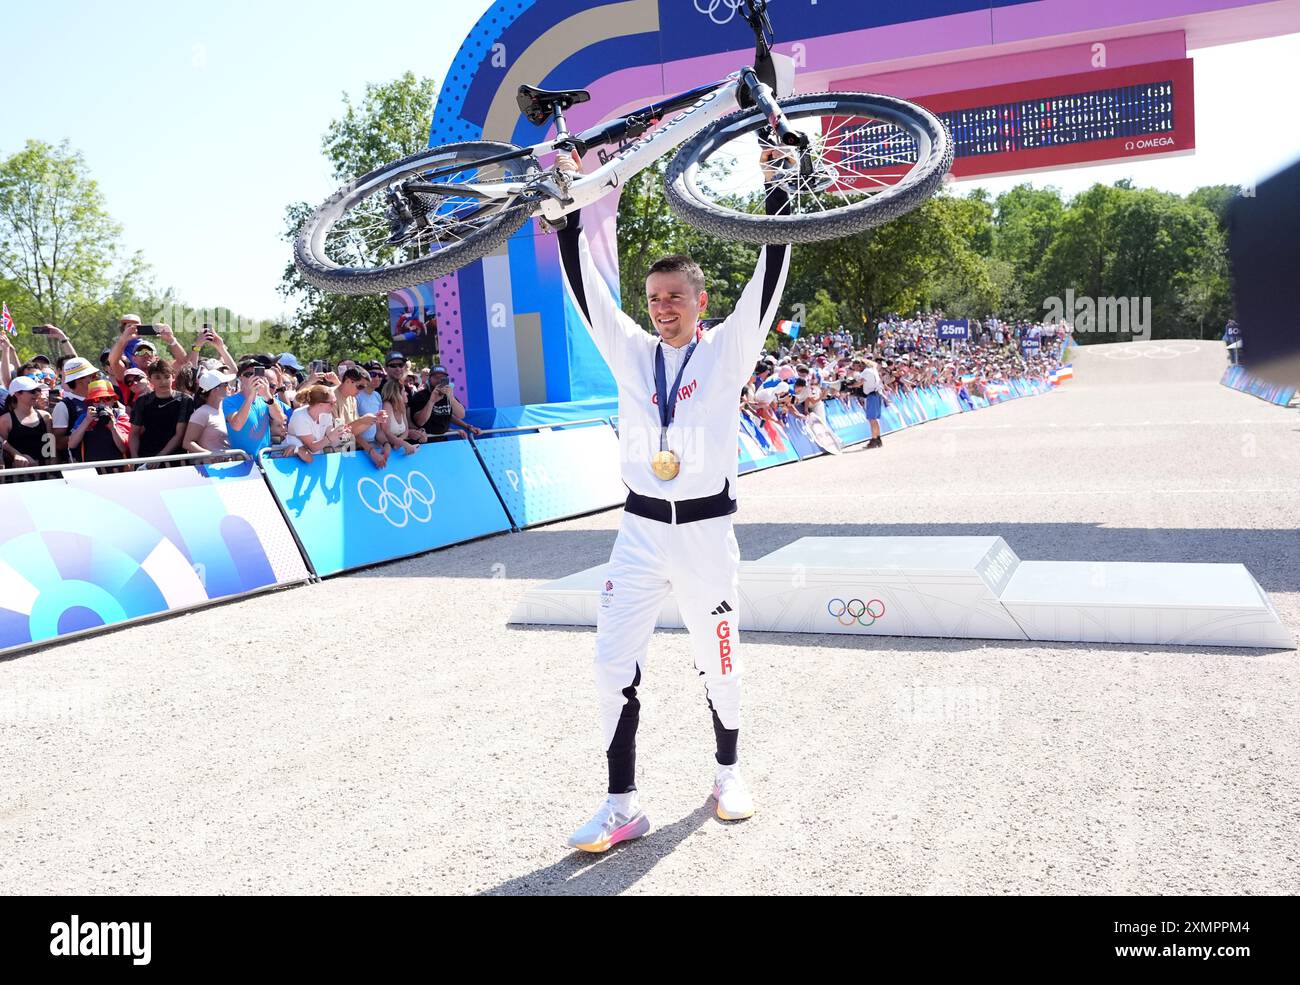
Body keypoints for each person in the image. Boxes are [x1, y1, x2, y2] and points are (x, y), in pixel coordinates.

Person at [555, 144, 791, 852]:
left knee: (719, 660)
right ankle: (621, 802)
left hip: (705, 537)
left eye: (675, 299)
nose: (662, 309)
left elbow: (769, 276)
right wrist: (568, 221)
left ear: (700, 302)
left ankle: (728, 773)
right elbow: (587, 290)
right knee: (608, 664)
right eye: (654, 299)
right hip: (639, 532)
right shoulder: (630, 351)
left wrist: (777, 188)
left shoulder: (724, 352)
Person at [129, 359, 195, 464]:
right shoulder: (142, 401)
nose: (163, 381)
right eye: (157, 377)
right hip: (146, 457)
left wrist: (160, 457)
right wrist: (134, 458)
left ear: (173, 377)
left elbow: (179, 434)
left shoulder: (185, 400)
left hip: (175, 459)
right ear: (150, 379)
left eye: (166, 377)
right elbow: (134, 433)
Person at [223, 361, 286, 457]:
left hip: (265, 460)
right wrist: (251, 395)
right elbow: (237, 425)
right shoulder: (229, 401)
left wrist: (267, 395)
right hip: (243, 461)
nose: (254, 377)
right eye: (249, 374)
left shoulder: (265, 399)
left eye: (257, 374)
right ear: (240, 378)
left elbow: (281, 419)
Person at [0, 376, 56, 478]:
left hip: (44, 474)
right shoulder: (5, 420)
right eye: (32, 391)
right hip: (17, 477)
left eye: (38, 390)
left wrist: (52, 470)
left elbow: (51, 448)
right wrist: (16, 454)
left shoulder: (45, 416)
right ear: (17, 394)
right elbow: (2, 443)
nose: (37, 394)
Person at [67, 379, 130, 466]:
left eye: (106, 398)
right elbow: (71, 445)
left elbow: (123, 448)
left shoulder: (120, 416)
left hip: (116, 469)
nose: (102, 403)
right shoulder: (86, 417)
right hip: (92, 469)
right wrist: (87, 421)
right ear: (92, 402)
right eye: (97, 399)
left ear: (114, 400)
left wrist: (113, 426)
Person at [284, 384, 348, 463]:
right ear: (320, 404)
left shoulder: (327, 414)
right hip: (294, 460)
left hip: (315, 459)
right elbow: (312, 448)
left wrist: (340, 434)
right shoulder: (299, 416)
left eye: (335, 402)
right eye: (332, 403)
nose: (334, 405)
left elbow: (333, 442)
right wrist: (330, 437)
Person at [183, 368, 235, 453]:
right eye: (225, 384)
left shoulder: (224, 409)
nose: (229, 387)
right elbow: (187, 443)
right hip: (209, 465)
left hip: (227, 463)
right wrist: (210, 455)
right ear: (215, 390)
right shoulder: (202, 413)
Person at [379, 378, 420, 456]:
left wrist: (398, 442)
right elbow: (386, 432)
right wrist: (404, 444)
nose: (407, 393)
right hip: (383, 450)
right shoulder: (387, 405)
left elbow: (406, 430)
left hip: (396, 450)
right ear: (397, 393)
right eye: (404, 391)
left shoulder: (402, 407)